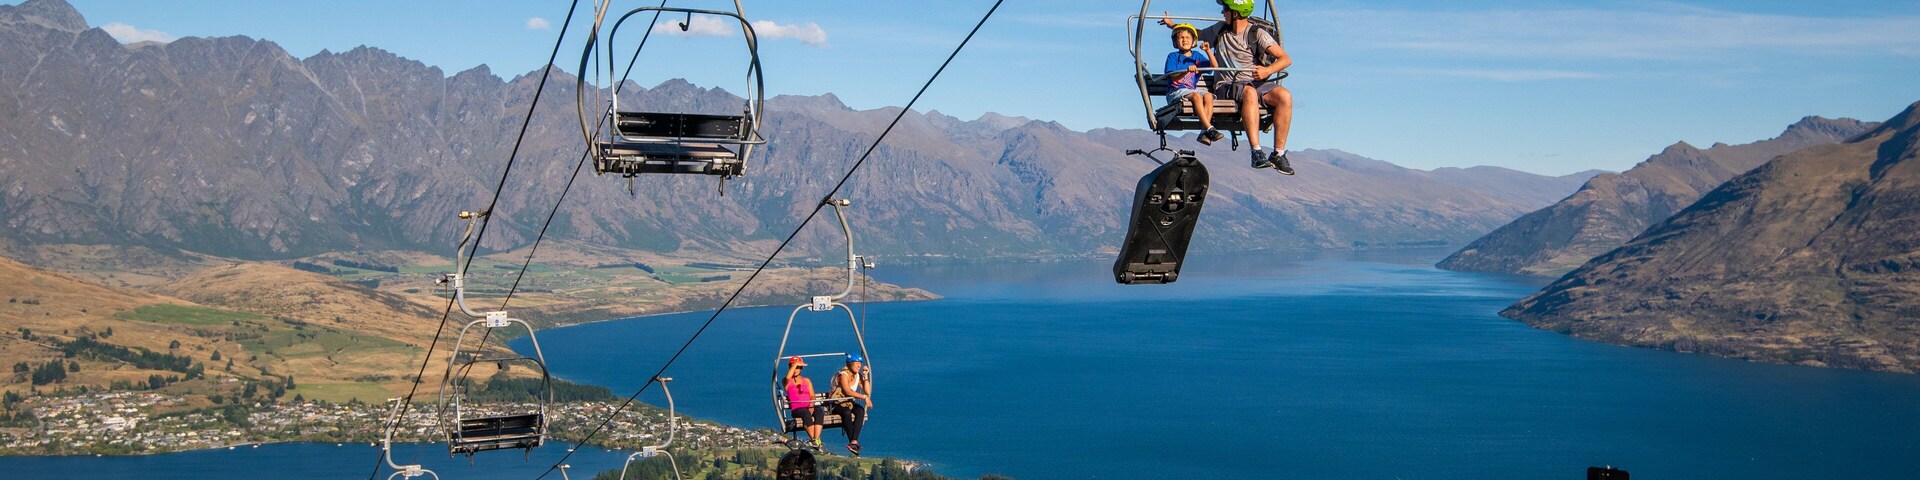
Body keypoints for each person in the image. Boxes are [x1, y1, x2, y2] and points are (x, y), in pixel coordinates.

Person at [1162, 0, 1295, 174]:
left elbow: (1285, 59)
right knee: (1249, 92)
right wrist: (1172, 25)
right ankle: (1256, 151)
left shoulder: (1256, 33)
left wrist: (1267, 70)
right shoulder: (1219, 30)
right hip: (1228, 84)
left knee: (1284, 96)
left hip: (1255, 80)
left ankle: (1278, 153)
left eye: (1225, 9)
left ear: (1236, 14)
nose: (1222, 12)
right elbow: (1197, 34)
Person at [1165, 23, 1225, 146]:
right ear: (1176, 41)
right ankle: (1209, 128)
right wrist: (1186, 71)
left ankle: (1205, 131)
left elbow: (1214, 67)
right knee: (1196, 96)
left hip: (1191, 90)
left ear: (1193, 41)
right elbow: (1172, 76)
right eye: (1181, 38)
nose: (1184, 40)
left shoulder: (1197, 56)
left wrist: (1208, 50)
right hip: (1176, 91)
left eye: (1187, 38)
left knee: (1208, 96)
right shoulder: (1173, 57)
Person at [829, 352, 873, 456]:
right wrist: (864, 398)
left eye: (860, 363)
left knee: (860, 411)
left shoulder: (857, 375)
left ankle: (854, 441)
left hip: (849, 403)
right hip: (837, 403)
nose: (859, 365)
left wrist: (865, 376)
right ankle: (853, 442)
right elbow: (848, 391)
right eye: (857, 363)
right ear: (850, 363)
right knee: (846, 413)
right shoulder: (843, 375)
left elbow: (867, 390)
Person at [783, 356, 824, 448]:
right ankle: (814, 439)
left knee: (819, 412)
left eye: (798, 367)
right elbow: (787, 377)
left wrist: (811, 404)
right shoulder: (787, 382)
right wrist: (795, 364)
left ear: (801, 369)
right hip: (797, 409)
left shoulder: (806, 381)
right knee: (806, 414)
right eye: (794, 367)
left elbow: (812, 395)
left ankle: (816, 439)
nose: (796, 369)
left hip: (808, 406)